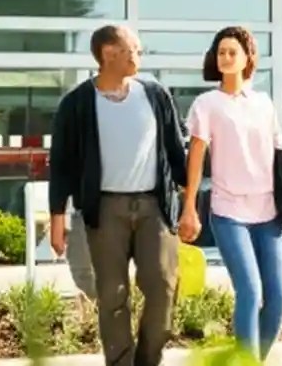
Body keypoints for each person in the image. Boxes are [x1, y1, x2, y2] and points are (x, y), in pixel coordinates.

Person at [47, 25, 188, 366]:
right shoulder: (77, 103)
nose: (138, 55)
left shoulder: (155, 95)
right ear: (109, 54)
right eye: (133, 50)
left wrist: (191, 206)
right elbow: (61, 165)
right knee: (112, 296)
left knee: (163, 287)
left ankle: (147, 360)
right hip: (104, 209)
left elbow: (176, 151)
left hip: (154, 207)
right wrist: (57, 220)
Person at [179, 26, 282, 361]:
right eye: (221, 52)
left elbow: (281, 158)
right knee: (250, 291)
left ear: (247, 58)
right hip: (228, 212)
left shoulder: (264, 103)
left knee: (279, 298)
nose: (225, 57)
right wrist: (189, 207)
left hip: (269, 212)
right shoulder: (206, 104)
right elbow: (196, 159)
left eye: (232, 52)